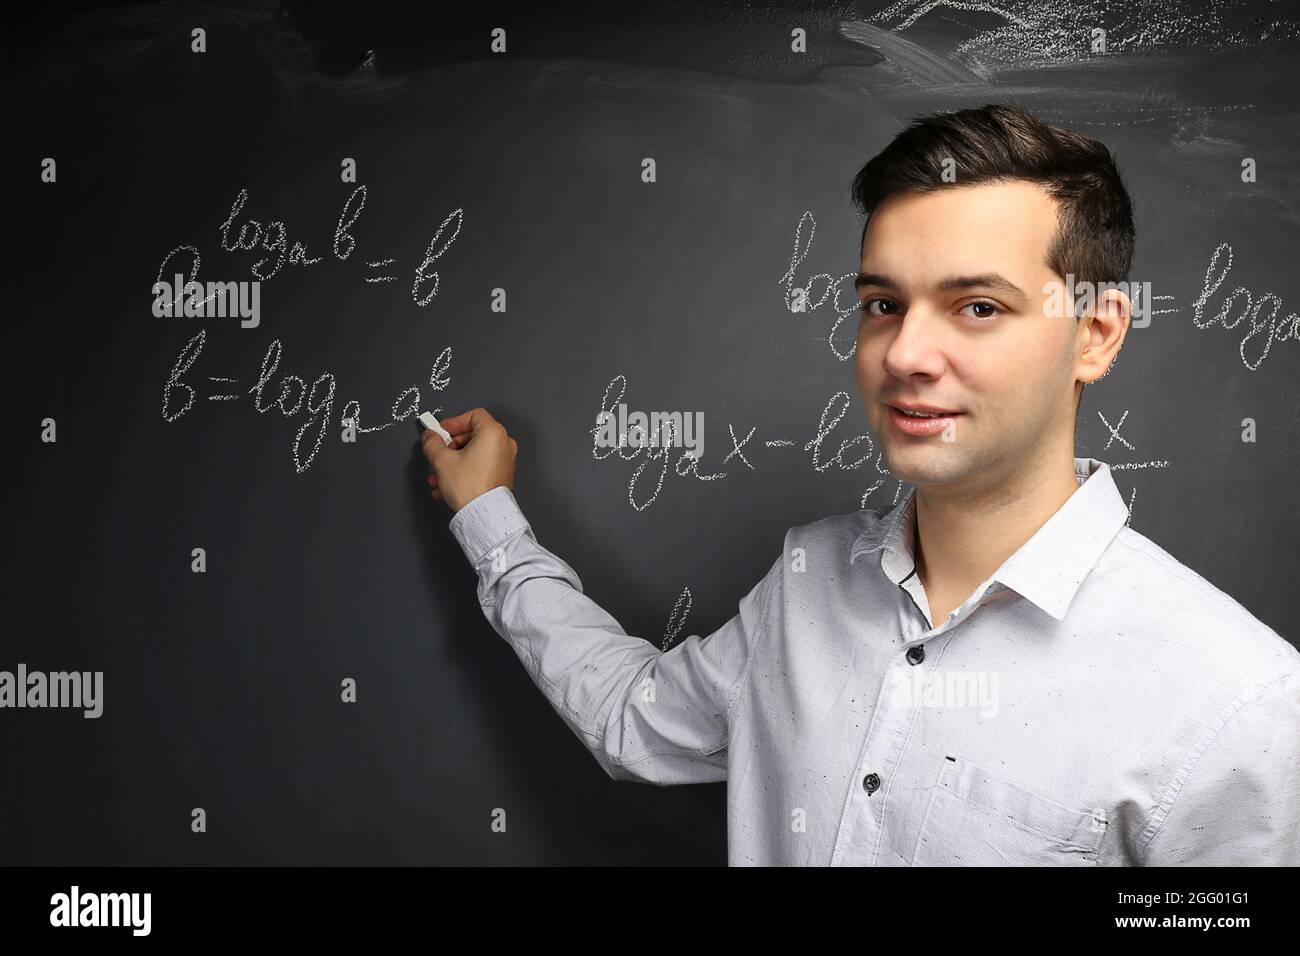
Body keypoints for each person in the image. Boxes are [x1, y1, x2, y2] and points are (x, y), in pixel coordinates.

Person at [420, 103, 1300, 866]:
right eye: (883, 303)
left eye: (978, 307)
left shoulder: (1237, 701)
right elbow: (631, 718)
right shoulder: (804, 585)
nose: (905, 355)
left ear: (1097, 335)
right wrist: (490, 518)